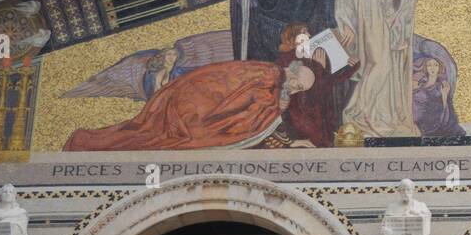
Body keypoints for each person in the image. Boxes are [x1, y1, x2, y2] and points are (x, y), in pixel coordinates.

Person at [64, 60, 316, 151]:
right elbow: (253, 113)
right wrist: (286, 136)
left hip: (189, 100)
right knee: (151, 139)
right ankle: (88, 141)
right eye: (298, 87)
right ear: (292, 75)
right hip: (192, 109)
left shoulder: (268, 75)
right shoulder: (269, 77)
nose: (294, 92)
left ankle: (89, 141)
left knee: (145, 136)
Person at [335, 0, 420, 137]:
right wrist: (346, 23)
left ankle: (382, 117)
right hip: (368, 22)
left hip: (393, 26)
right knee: (380, 65)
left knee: (390, 72)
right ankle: (356, 112)